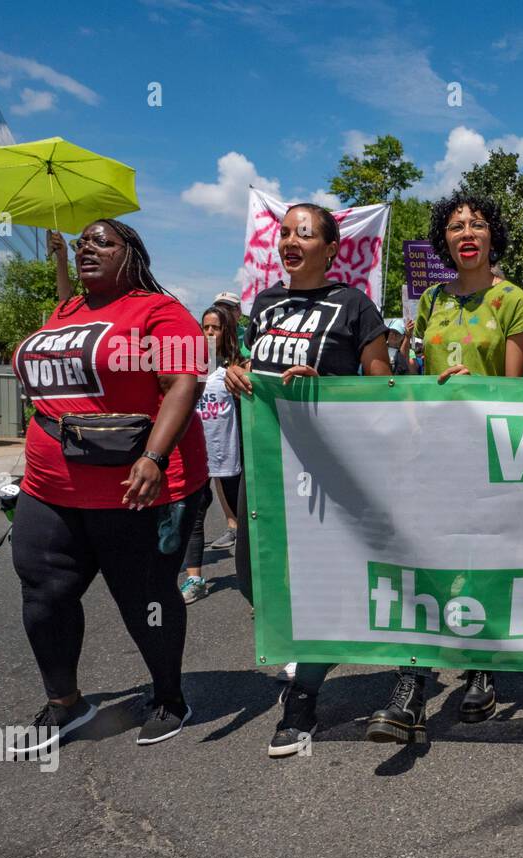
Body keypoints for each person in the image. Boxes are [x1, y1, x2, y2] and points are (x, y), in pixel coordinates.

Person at [6, 219, 209, 753]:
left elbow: (182, 382)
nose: (86, 249)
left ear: (131, 252)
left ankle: (169, 696)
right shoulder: (66, 311)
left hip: (136, 488)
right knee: (43, 592)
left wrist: (153, 457)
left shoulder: (160, 311)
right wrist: (56, 265)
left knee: (145, 601)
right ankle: (66, 704)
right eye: (80, 245)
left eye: (101, 241)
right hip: (48, 485)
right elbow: (69, 330)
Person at [222, 203, 393, 758]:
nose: (290, 241)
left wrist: (328, 385)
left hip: (326, 470)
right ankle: (304, 650)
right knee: (255, 579)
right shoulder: (266, 304)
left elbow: (381, 388)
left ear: (331, 247)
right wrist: (236, 371)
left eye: (304, 233)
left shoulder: (355, 307)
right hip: (267, 462)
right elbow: (249, 364)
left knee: (320, 584)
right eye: (284, 233)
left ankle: (303, 702)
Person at [368, 191, 523, 737]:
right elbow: (414, 376)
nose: (467, 233)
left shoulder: (514, 301)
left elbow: (514, 394)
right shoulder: (432, 302)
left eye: (478, 225)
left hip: (489, 455)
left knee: (479, 560)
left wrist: (476, 388)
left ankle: (482, 669)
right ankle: (411, 684)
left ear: (492, 237)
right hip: (433, 454)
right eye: (456, 226)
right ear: (444, 239)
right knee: (426, 562)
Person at [179, 305, 244, 603]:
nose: (208, 333)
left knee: (244, 520)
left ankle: (254, 583)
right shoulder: (191, 367)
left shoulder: (237, 367)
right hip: (196, 456)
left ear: (226, 332)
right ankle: (195, 579)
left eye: (214, 328)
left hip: (229, 458)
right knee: (194, 516)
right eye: (204, 327)